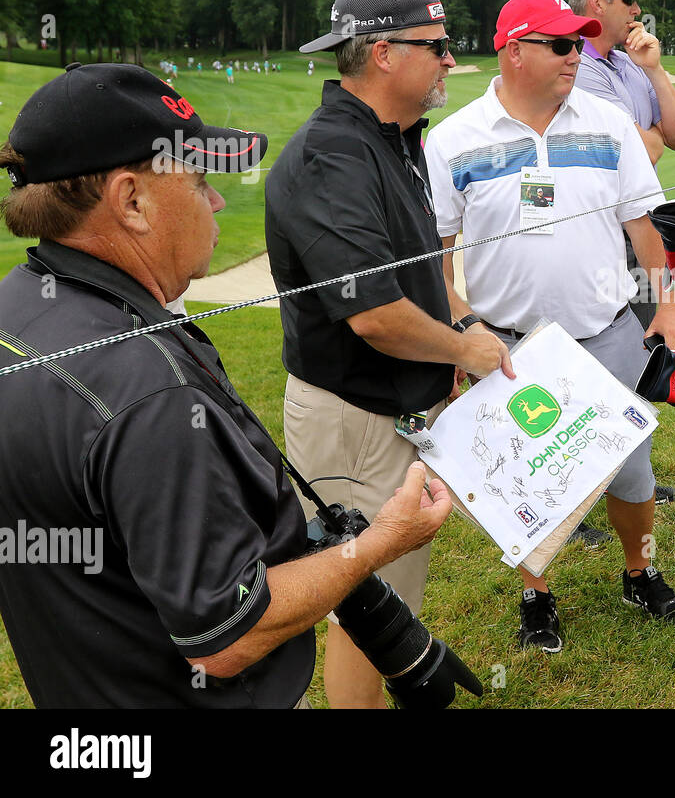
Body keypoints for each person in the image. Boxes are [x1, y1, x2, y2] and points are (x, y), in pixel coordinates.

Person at [0, 63, 452, 707]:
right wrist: (383, 542)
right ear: (131, 201)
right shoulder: (149, 392)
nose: (214, 201)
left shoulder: (17, 313)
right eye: (200, 179)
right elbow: (224, 635)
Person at [266, 0, 513, 708]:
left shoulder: (395, 139)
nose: (449, 60)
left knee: (390, 596)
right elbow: (372, 311)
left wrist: (463, 322)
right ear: (381, 53)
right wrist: (462, 349)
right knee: (366, 606)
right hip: (355, 418)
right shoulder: (330, 156)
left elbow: (419, 269)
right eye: (436, 45)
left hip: (397, 409)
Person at [427, 0, 675, 654]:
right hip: (511, 347)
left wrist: (670, 301)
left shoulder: (608, 126)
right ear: (513, 50)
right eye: (561, 44)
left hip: (606, 333)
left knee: (633, 476)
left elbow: (647, 224)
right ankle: (536, 597)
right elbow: (435, 257)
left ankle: (640, 571)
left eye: (579, 43)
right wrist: (462, 327)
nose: (576, 55)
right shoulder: (454, 141)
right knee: (530, 481)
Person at [566, 0, 675, 507]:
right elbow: (635, 150)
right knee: (589, 367)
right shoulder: (577, 69)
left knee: (641, 357)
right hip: (599, 240)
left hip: (638, 232)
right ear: (597, 4)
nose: (637, 7)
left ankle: (629, 476)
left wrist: (655, 70)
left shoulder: (626, 65)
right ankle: (581, 490)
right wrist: (645, 138)